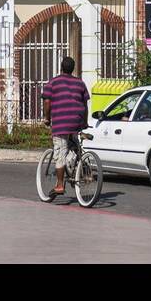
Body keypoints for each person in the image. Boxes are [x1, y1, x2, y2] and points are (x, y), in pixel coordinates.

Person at [42, 56, 91, 196]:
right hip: (77, 121)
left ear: (61, 68)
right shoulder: (80, 83)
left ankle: (59, 184)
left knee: (60, 153)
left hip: (61, 123)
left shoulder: (53, 82)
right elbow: (85, 104)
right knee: (75, 145)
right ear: (73, 69)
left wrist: (47, 118)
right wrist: (85, 122)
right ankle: (84, 169)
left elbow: (47, 102)